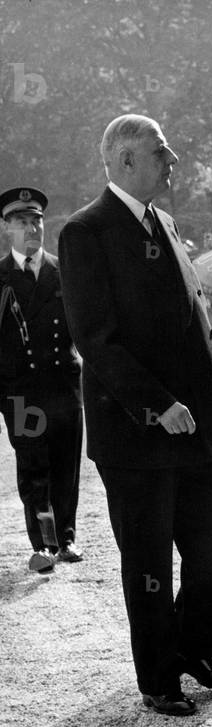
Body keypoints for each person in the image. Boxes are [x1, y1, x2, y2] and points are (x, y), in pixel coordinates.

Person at [59, 114, 212, 716]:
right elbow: (97, 338)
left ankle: (194, 648)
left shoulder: (161, 222)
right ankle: (159, 677)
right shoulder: (86, 232)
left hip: (193, 428)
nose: (174, 159)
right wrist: (157, 404)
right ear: (125, 160)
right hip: (138, 432)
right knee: (150, 562)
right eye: (161, 152)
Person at [0, 187, 83, 572]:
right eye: (21, 222)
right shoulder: (0, 278)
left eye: (36, 220)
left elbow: (85, 329)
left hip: (64, 388)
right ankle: (45, 546)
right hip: (22, 395)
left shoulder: (63, 270)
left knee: (66, 467)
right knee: (34, 471)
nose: (31, 228)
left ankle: (66, 539)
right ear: (7, 230)